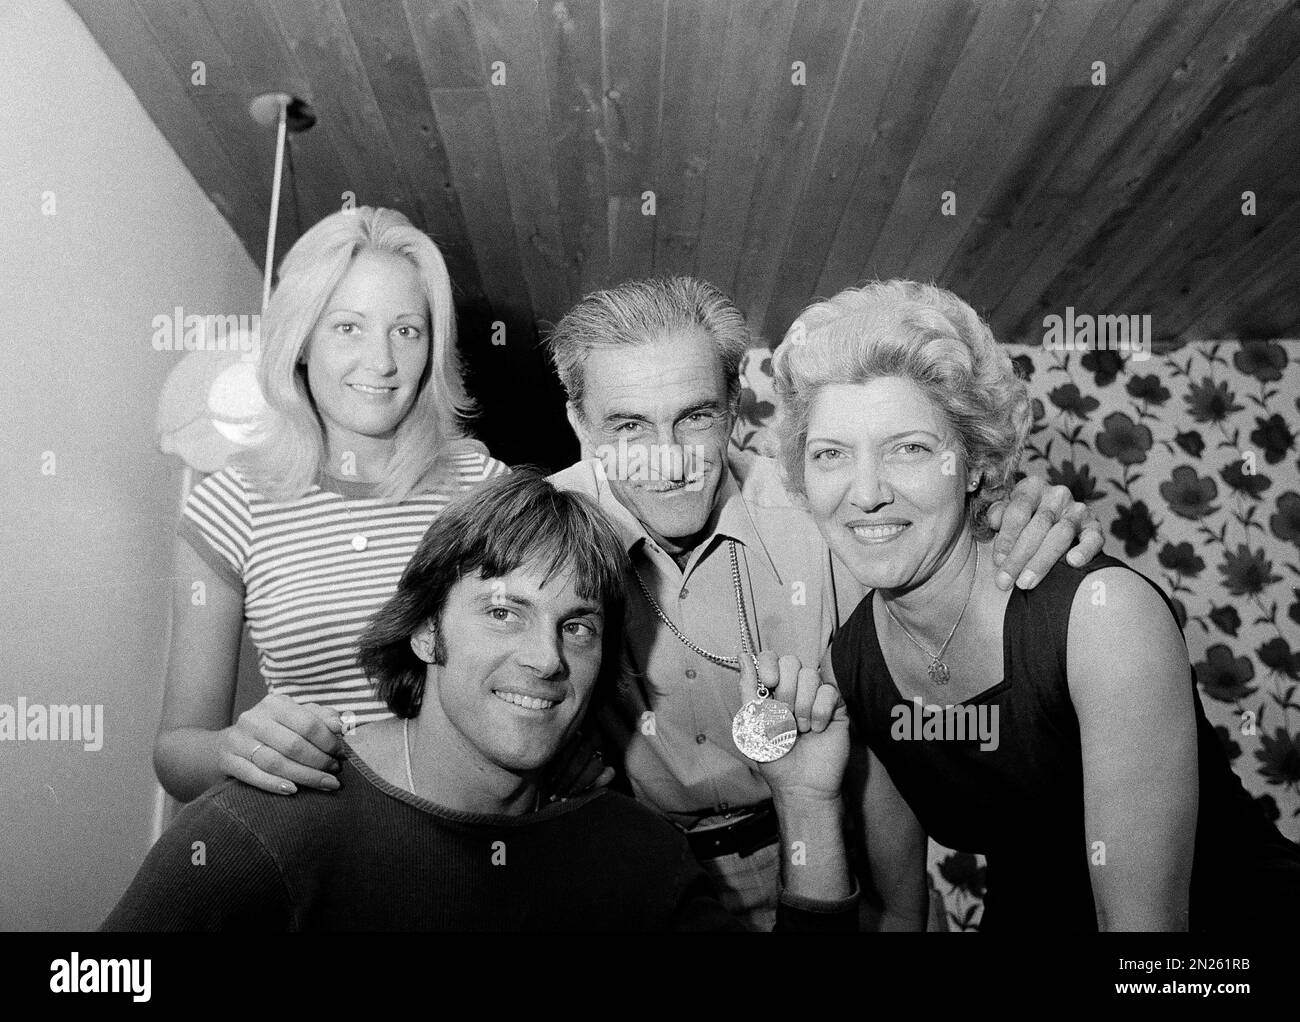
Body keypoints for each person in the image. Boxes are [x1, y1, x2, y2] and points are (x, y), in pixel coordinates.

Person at [543, 276, 1106, 928]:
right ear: (579, 424)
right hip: (635, 876)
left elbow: (947, 553)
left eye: (696, 416)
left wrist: (1019, 519)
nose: (668, 463)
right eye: (629, 426)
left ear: (733, 404)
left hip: (830, 851)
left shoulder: (825, 507)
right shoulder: (536, 532)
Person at [103, 472, 855, 931]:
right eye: (504, 612)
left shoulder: (634, 858)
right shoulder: (272, 825)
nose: (546, 657)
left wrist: (810, 803)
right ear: (427, 633)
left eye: (578, 625)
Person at [772, 279, 1300, 931]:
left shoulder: (1101, 619)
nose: (867, 492)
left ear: (973, 463)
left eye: (909, 448)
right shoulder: (849, 663)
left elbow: (1144, 931)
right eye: (830, 454)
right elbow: (897, 912)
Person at [153, 207, 508, 804]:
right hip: (315, 837)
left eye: (407, 330)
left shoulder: (483, 487)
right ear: (300, 341)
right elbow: (177, 753)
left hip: (468, 829)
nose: (382, 361)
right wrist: (234, 750)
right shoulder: (228, 507)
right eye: (348, 327)